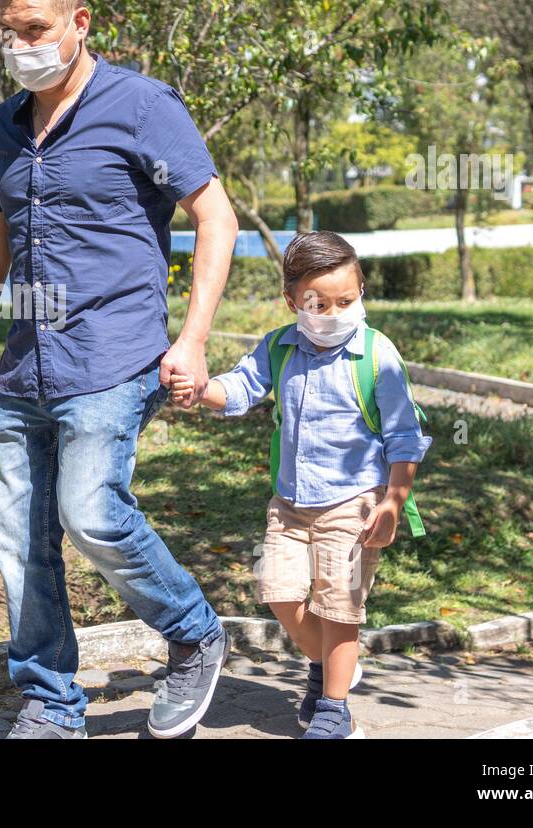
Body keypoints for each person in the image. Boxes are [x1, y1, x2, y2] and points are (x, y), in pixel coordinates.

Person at [0, 0, 240, 739]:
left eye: (35, 30)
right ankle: (50, 700)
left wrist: (195, 340)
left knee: (91, 514)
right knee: (18, 537)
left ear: (79, 24)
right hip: (25, 369)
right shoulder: (2, 127)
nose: (20, 46)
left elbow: (219, 219)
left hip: (112, 355)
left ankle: (193, 631)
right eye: (9, 33)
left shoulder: (141, 106)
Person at [171, 231, 432, 739]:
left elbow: (405, 436)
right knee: (279, 595)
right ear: (291, 301)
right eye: (318, 303)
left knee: (340, 606)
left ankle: (334, 708)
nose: (333, 312)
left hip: (354, 505)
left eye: (347, 301)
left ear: (361, 294)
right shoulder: (278, 347)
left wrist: (393, 503)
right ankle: (332, 665)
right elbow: (240, 389)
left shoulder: (378, 354)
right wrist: (199, 389)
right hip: (289, 505)